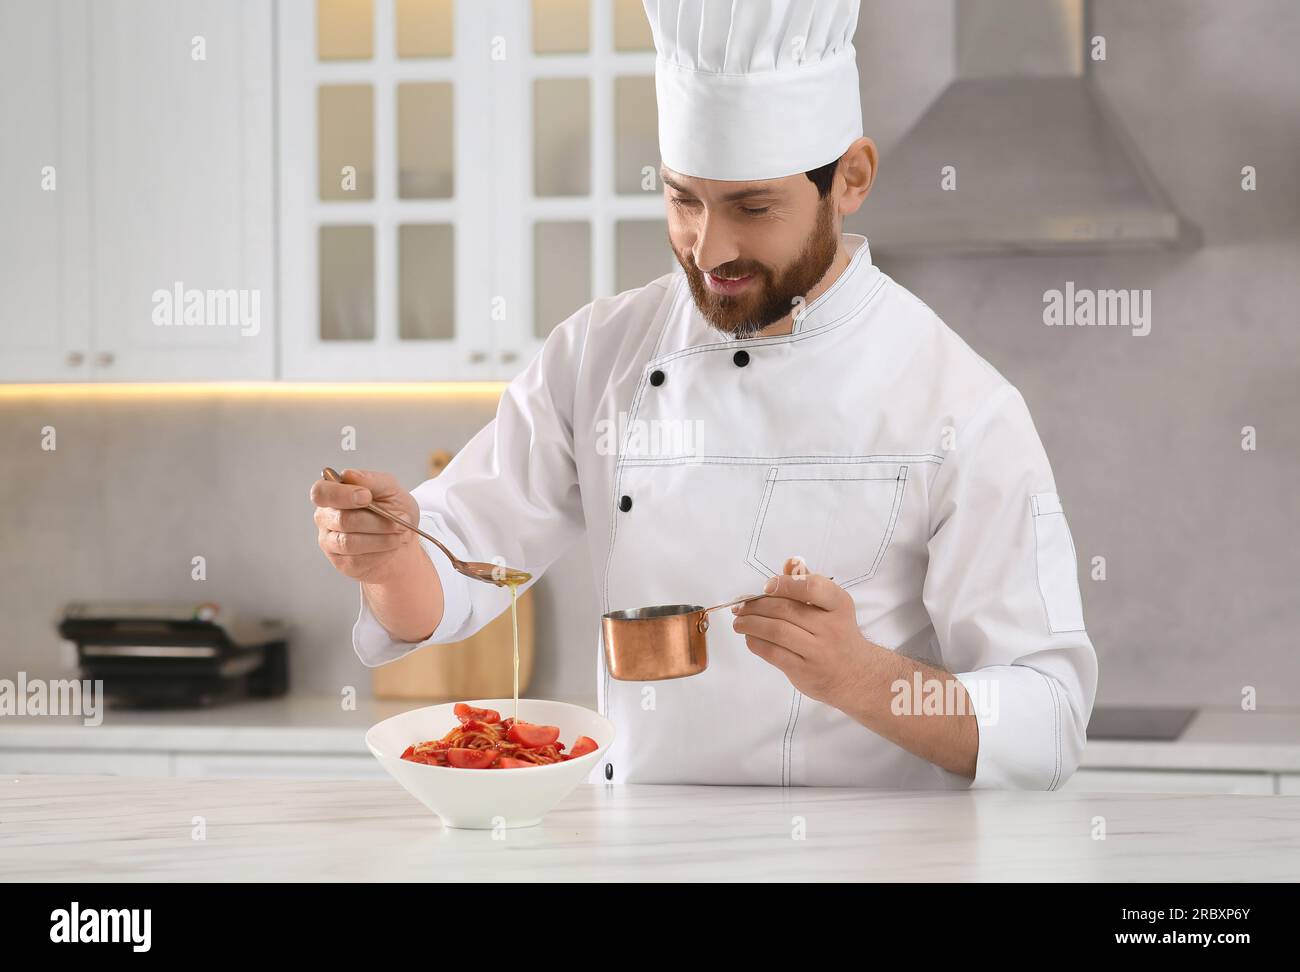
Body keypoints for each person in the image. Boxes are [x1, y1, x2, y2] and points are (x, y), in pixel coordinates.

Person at [311, 0, 1097, 789]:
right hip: (636, 853)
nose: (709, 248)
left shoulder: (961, 406)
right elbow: (457, 573)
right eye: (684, 198)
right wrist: (388, 556)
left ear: (850, 178)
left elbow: (1049, 720)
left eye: (752, 207)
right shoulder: (599, 353)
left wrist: (863, 676)